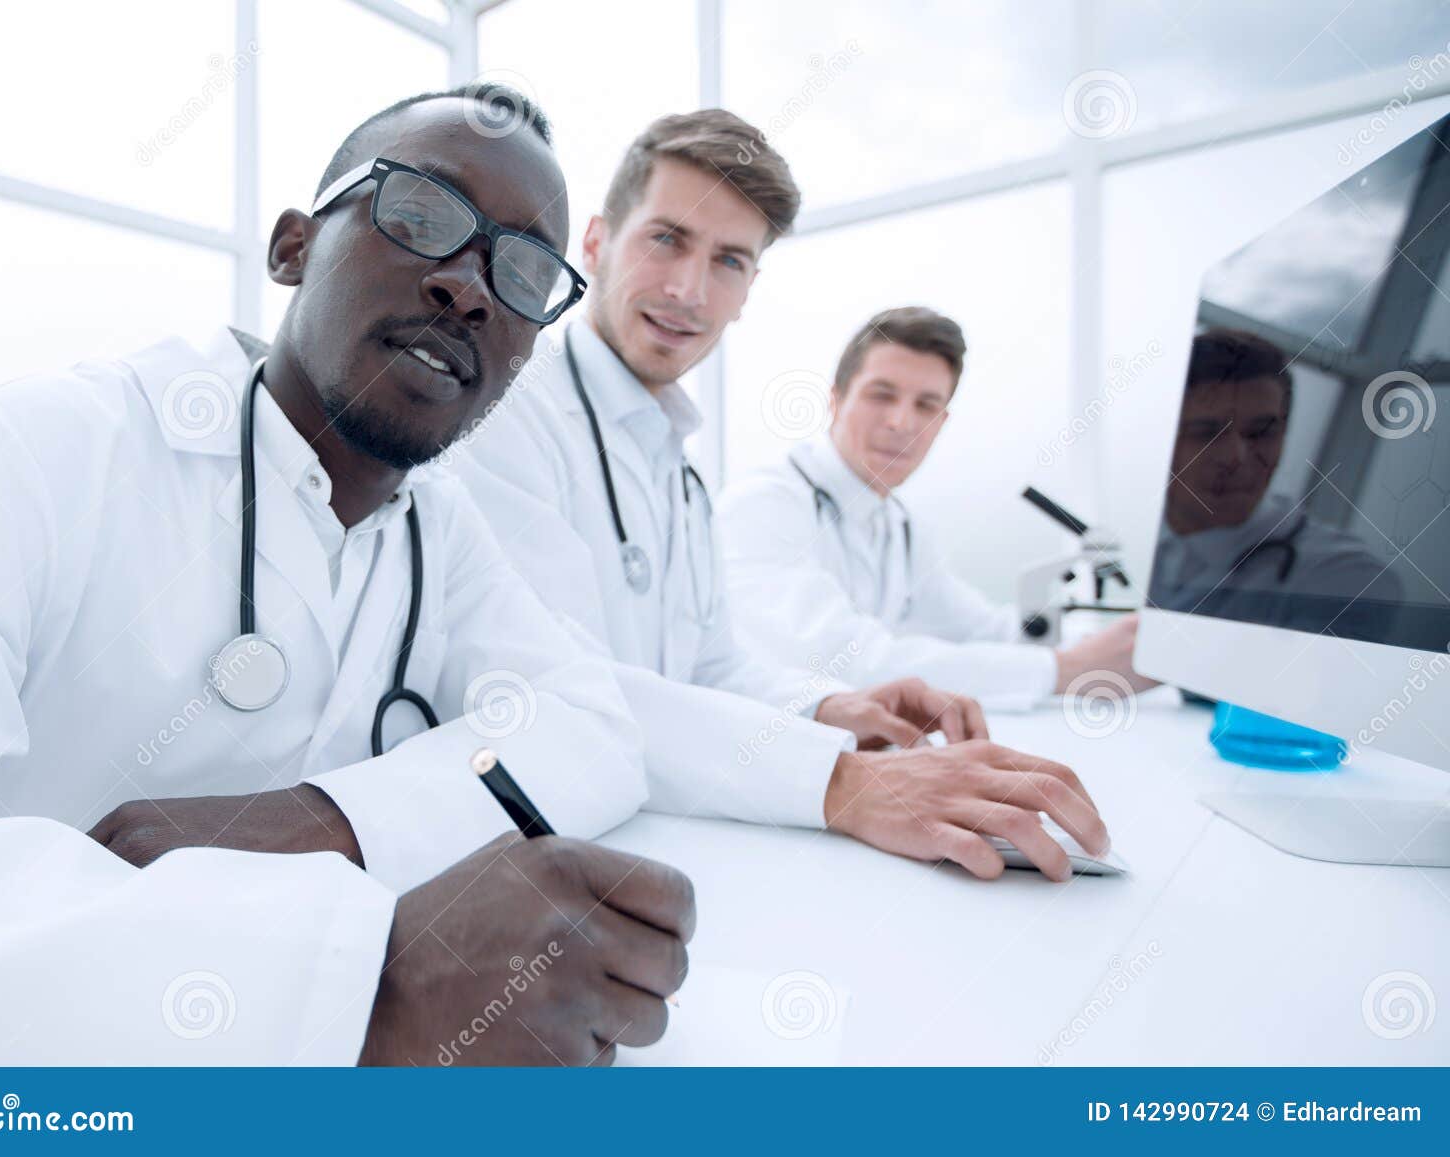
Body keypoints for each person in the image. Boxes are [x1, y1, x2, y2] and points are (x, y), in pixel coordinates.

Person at [0, 84, 693, 1066]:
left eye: (521, 269)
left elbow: (587, 717)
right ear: (293, 247)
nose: (467, 286)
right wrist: (358, 988)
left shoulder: (439, 527)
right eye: (420, 214)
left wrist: (329, 822)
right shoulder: (26, 456)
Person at [450, 113, 1108, 882]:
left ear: (748, 291)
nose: (689, 289)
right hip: (533, 857)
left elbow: (716, 665)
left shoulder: (678, 471)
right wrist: (839, 781)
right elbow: (566, 693)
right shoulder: (509, 411)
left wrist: (832, 708)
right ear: (595, 243)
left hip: (665, 836)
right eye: (666, 238)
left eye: (728, 260)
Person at [717, 306, 1151, 710]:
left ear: (941, 423)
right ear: (835, 400)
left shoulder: (899, 526)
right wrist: (1067, 670)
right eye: (881, 395)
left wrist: (1110, 642)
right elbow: (850, 662)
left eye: (926, 405)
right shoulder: (764, 506)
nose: (902, 422)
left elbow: (983, 628)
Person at [1149, 327, 1402, 640]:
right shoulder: (1137, 542)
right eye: (1206, 433)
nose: (1236, 457)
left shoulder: (1349, 579)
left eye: (1261, 433)